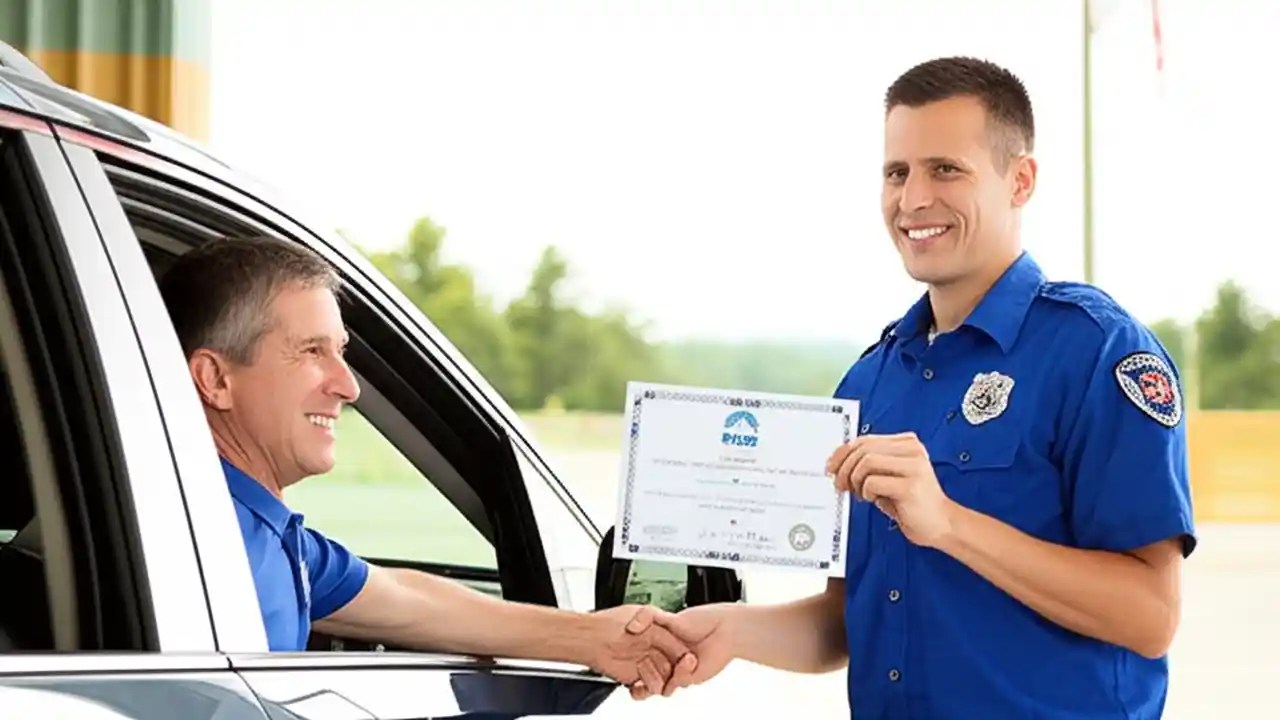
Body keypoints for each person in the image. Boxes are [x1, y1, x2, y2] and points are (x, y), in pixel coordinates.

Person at [635, 56, 1196, 718]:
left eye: (945, 169)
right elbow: (847, 619)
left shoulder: (1099, 353)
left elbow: (1151, 614)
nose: (913, 199)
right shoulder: (871, 380)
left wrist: (951, 524)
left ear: (1021, 180)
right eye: (896, 173)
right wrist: (731, 630)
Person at [157, 237, 692, 695]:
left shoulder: (263, 532)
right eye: (311, 351)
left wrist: (596, 638)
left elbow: (406, 599)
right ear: (216, 380)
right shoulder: (212, 540)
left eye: (340, 351)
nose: (349, 386)